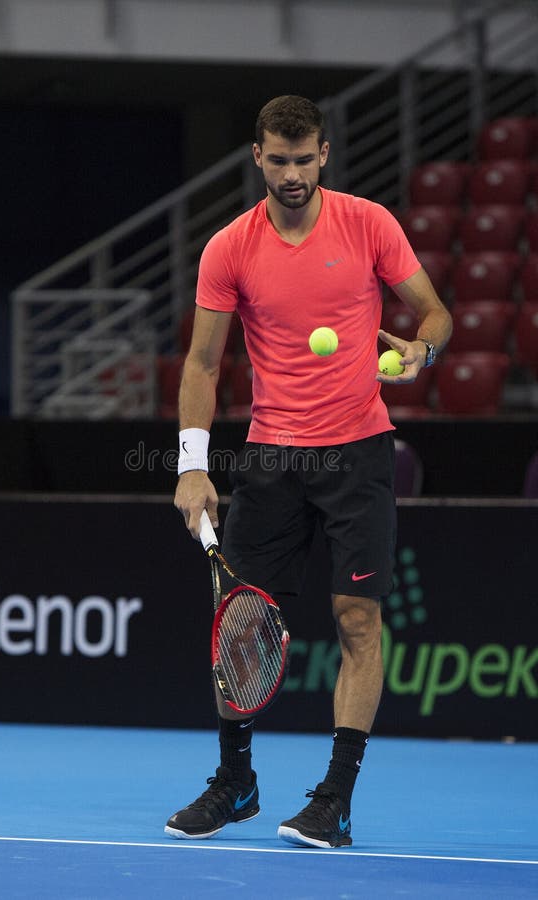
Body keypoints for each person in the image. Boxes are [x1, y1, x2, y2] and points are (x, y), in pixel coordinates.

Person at [165, 95, 452, 848]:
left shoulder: (369, 225)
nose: (291, 174)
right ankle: (236, 782)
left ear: (324, 154)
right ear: (258, 158)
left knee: (358, 619)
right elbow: (201, 362)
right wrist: (193, 466)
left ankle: (337, 798)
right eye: (278, 160)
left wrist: (424, 351)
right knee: (242, 621)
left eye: (304, 159)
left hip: (358, 452)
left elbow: (436, 315)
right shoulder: (229, 247)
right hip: (272, 458)